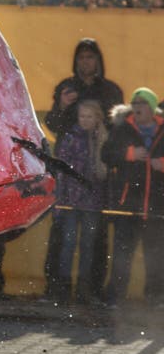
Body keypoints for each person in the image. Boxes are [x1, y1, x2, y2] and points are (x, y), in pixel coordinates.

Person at [43, 38, 123, 301]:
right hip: (68, 178)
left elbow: (118, 130)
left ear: (98, 60)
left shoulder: (110, 90)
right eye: (81, 57)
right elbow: (53, 125)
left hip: (96, 178)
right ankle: (56, 290)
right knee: (62, 239)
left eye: (90, 57)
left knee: (95, 241)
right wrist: (63, 105)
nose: (85, 62)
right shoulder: (66, 87)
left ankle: (91, 291)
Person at [102, 88, 164, 307]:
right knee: (122, 253)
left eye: (142, 102)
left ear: (152, 106)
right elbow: (106, 154)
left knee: (156, 255)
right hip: (128, 202)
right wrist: (129, 154)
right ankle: (115, 297)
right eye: (134, 102)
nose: (137, 106)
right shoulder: (122, 128)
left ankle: (155, 298)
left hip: (157, 204)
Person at [50, 100, 108, 304]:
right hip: (71, 200)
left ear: (97, 118)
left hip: (92, 201)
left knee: (88, 246)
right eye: (82, 116)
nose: (85, 120)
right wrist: (59, 199)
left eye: (89, 116)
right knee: (68, 243)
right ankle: (64, 289)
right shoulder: (70, 138)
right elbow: (62, 171)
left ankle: (84, 289)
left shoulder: (102, 138)